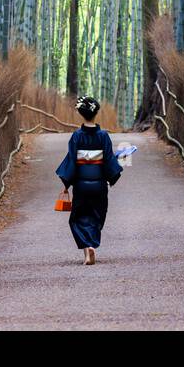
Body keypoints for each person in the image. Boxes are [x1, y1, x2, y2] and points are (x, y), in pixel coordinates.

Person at [55, 96, 123, 265]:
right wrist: (112, 175)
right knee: (96, 215)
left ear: (80, 113)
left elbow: (71, 160)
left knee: (78, 217)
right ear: (96, 113)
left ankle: (87, 250)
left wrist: (66, 183)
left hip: (81, 185)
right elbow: (108, 160)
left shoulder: (77, 137)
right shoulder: (103, 136)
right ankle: (91, 246)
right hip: (99, 185)